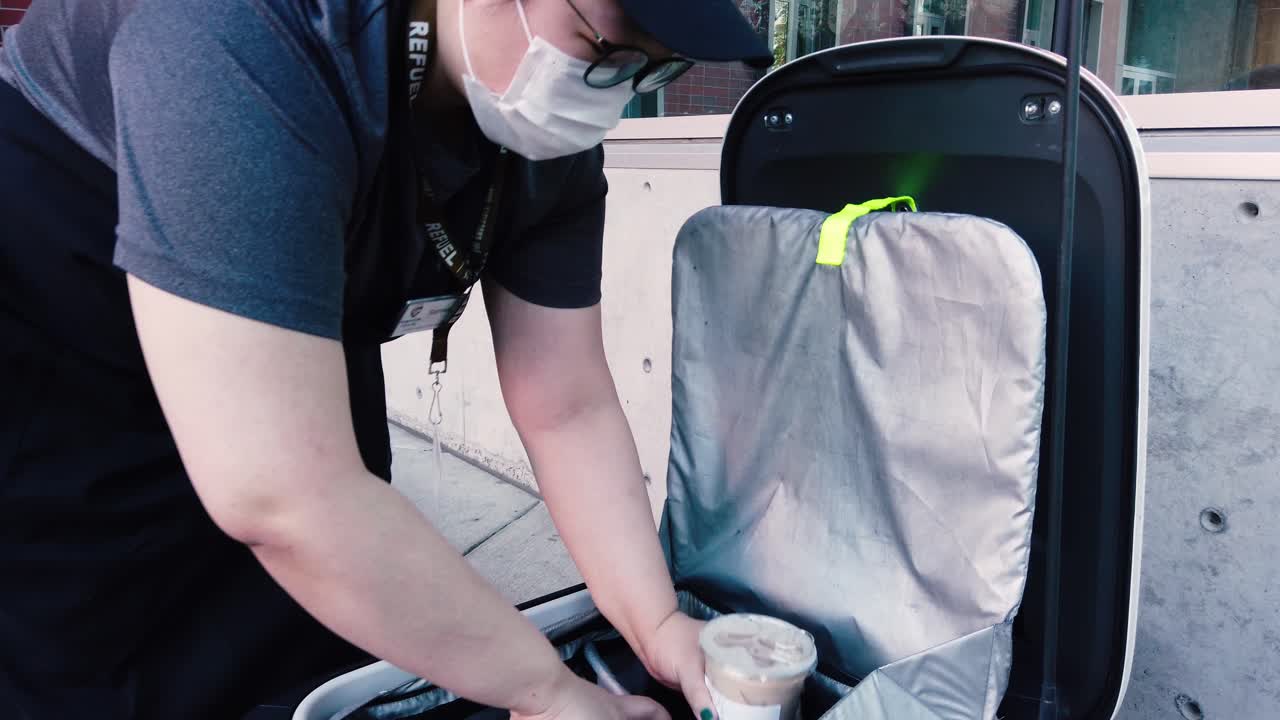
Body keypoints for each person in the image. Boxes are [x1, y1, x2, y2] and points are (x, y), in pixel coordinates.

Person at [0, 0, 770, 718]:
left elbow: (565, 401)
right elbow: (282, 493)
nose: (609, 95)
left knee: (326, 640)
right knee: (99, 652)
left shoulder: (548, 144)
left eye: (650, 69)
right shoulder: (239, 28)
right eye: (603, 50)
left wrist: (658, 622)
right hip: (67, 305)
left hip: (300, 309)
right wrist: (548, 691)